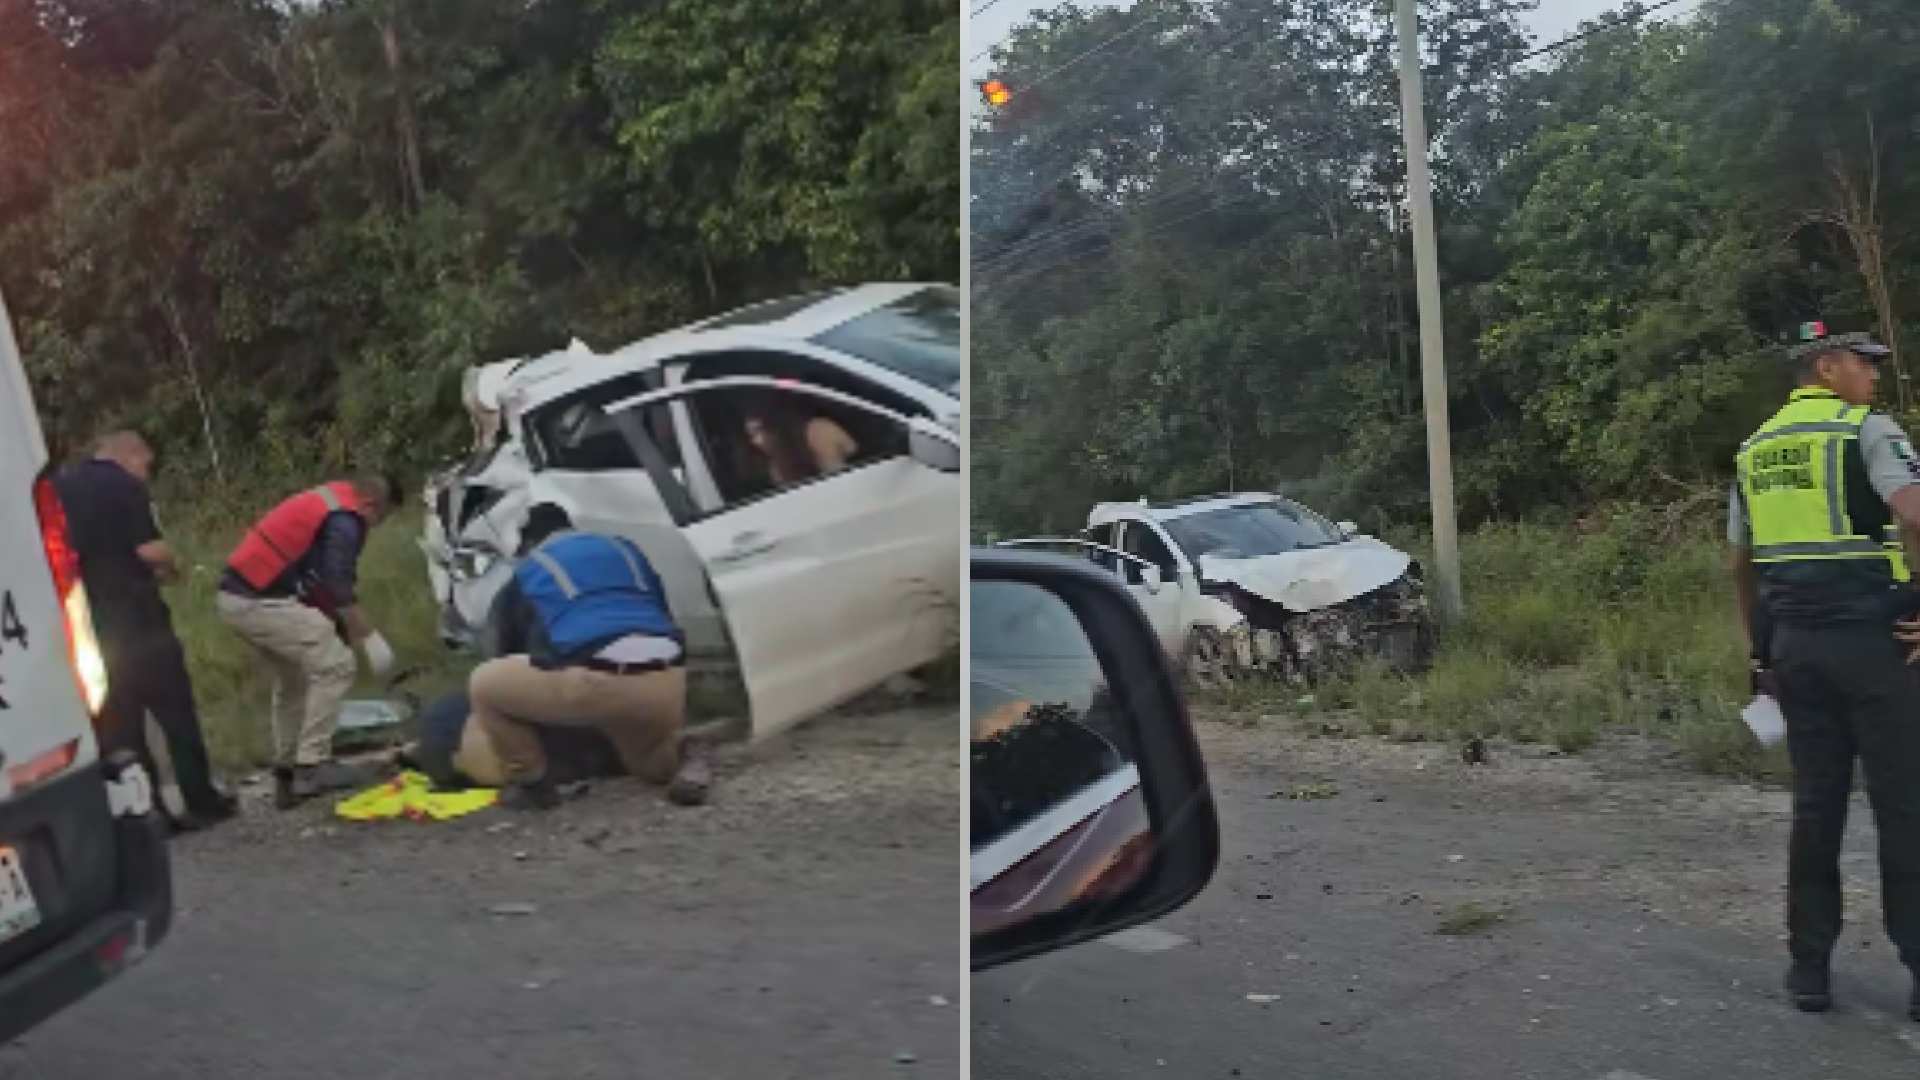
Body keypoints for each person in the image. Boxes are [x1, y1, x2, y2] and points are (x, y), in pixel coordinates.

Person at [1729, 322, 1920, 1019]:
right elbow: (1914, 511)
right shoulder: (1864, 429)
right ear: (1828, 365)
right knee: (1904, 806)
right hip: (1877, 644)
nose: (1875, 376)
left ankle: (1808, 968)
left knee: (1817, 808)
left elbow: (1740, 563)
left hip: (1795, 650)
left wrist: (1758, 651)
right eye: (1866, 364)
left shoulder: (1754, 449)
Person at [53, 430, 236, 831]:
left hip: (91, 624)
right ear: (131, 454)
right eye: (147, 464)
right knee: (176, 713)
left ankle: (149, 812)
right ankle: (200, 799)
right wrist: (173, 566)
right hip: (139, 617)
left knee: (123, 725)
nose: (146, 472)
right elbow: (148, 550)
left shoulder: (59, 487)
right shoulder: (124, 485)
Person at [466, 513, 709, 809]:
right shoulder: (626, 551)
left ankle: (532, 785)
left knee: (483, 685)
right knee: (648, 764)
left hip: (595, 683)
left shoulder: (532, 569)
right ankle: (685, 751)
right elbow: (659, 612)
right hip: (667, 681)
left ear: (529, 544)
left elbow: (505, 650)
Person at [215, 473, 401, 807]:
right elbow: (337, 582)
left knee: (295, 678)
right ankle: (312, 766)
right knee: (336, 667)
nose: (373, 528)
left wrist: (339, 628)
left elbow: (314, 579)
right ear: (372, 504)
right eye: (380, 519)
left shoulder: (330, 500)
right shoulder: (347, 519)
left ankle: (286, 772)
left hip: (239, 596)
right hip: (260, 601)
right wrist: (369, 637)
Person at [741, 393, 857, 488]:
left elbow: (842, 478)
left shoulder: (819, 430)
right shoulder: (777, 466)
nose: (755, 441)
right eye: (751, 436)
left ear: (775, 426)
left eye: (758, 431)